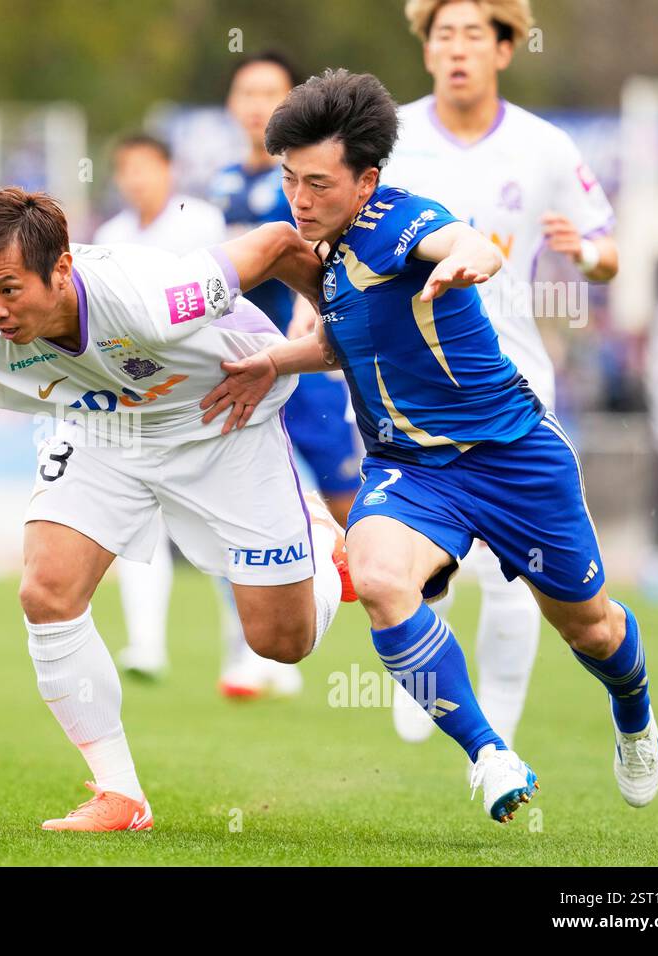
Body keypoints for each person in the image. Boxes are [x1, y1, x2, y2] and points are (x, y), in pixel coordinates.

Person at [201, 69, 658, 821]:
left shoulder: (399, 221)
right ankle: (490, 754)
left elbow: (462, 240)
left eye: (318, 183)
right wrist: (273, 360)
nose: (300, 199)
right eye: (290, 180)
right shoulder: (328, 254)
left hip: (512, 456)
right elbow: (346, 342)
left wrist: (470, 257)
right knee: (380, 578)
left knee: (591, 627)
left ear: (367, 180)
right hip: (411, 470)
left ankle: (636, 712)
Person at [0, 186, 347, 831]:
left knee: (280, 644)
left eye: (9, 289)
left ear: (61, 268)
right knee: (46, 591)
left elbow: (276, 243)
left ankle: (319, 541)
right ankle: (120, 794)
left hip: (222, 423)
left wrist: (332, 321)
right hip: (104, 429)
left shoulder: (152, 296)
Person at [380, 0, 619, 752]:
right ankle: (428, 653)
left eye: (473, 36)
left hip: (512, 377)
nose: (457, 50)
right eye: (442, 35)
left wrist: (585, 251)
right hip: (411, 379)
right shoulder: (393, 137)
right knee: (414, 543)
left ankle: (503, 720)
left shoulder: (544, 147)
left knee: (517, 565)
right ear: (425, 50)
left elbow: (610, 248)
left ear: (504, 49)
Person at [95, 134, 346, 693]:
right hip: (153, 393)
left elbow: (253, 272)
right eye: (125, 169)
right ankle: (149, 645)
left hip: (236, 374)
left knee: (238, 517)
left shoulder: (202, 221)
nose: (135, 179)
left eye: (145, 167)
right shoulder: (111, 237)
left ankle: (265, 635)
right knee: (145, 515)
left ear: (168, 170)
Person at [208, 51, 365, 696]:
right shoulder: (218, 185)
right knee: (231, 507)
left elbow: (321, 256)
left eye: (269, 93)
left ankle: (417, 598)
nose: (255, 104)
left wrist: (310, 312)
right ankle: (253, 649)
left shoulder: (300, 181)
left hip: (307, 364)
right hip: (246, 366)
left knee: (350, 514)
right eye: (245, 91)